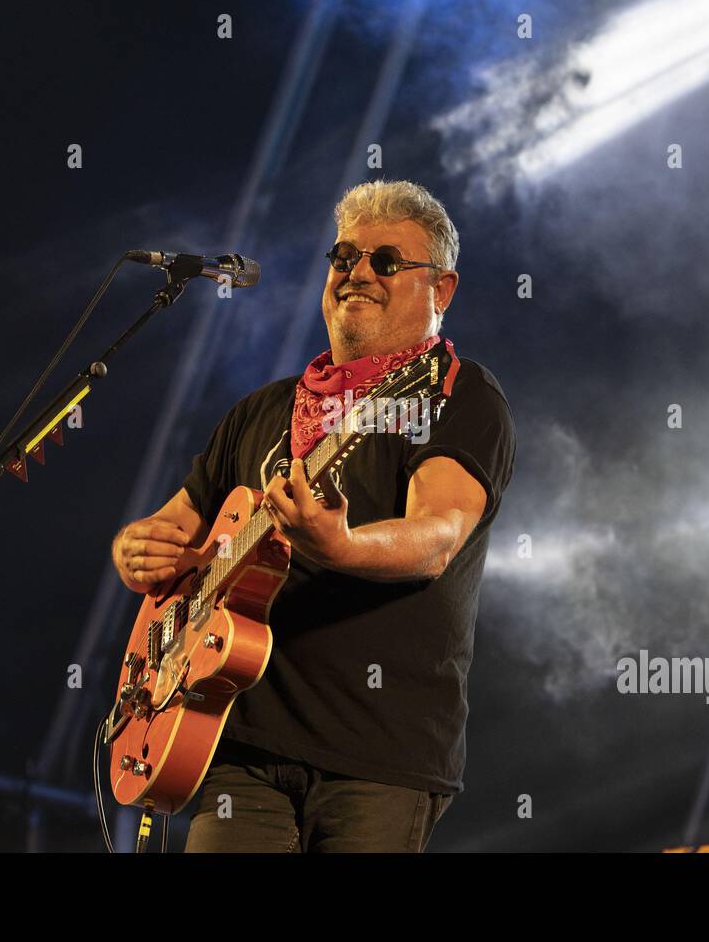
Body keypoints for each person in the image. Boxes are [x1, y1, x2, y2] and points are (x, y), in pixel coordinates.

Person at [111, 179, 515, 852]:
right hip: (233, 735)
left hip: (380, 753)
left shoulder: (454, 391)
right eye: (343, 258)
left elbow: (438, 535)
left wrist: (341, 545)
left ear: (440, 291)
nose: (357, 272)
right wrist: (138, 548)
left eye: (386, 261)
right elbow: (173, 531)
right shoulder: (261, 410)